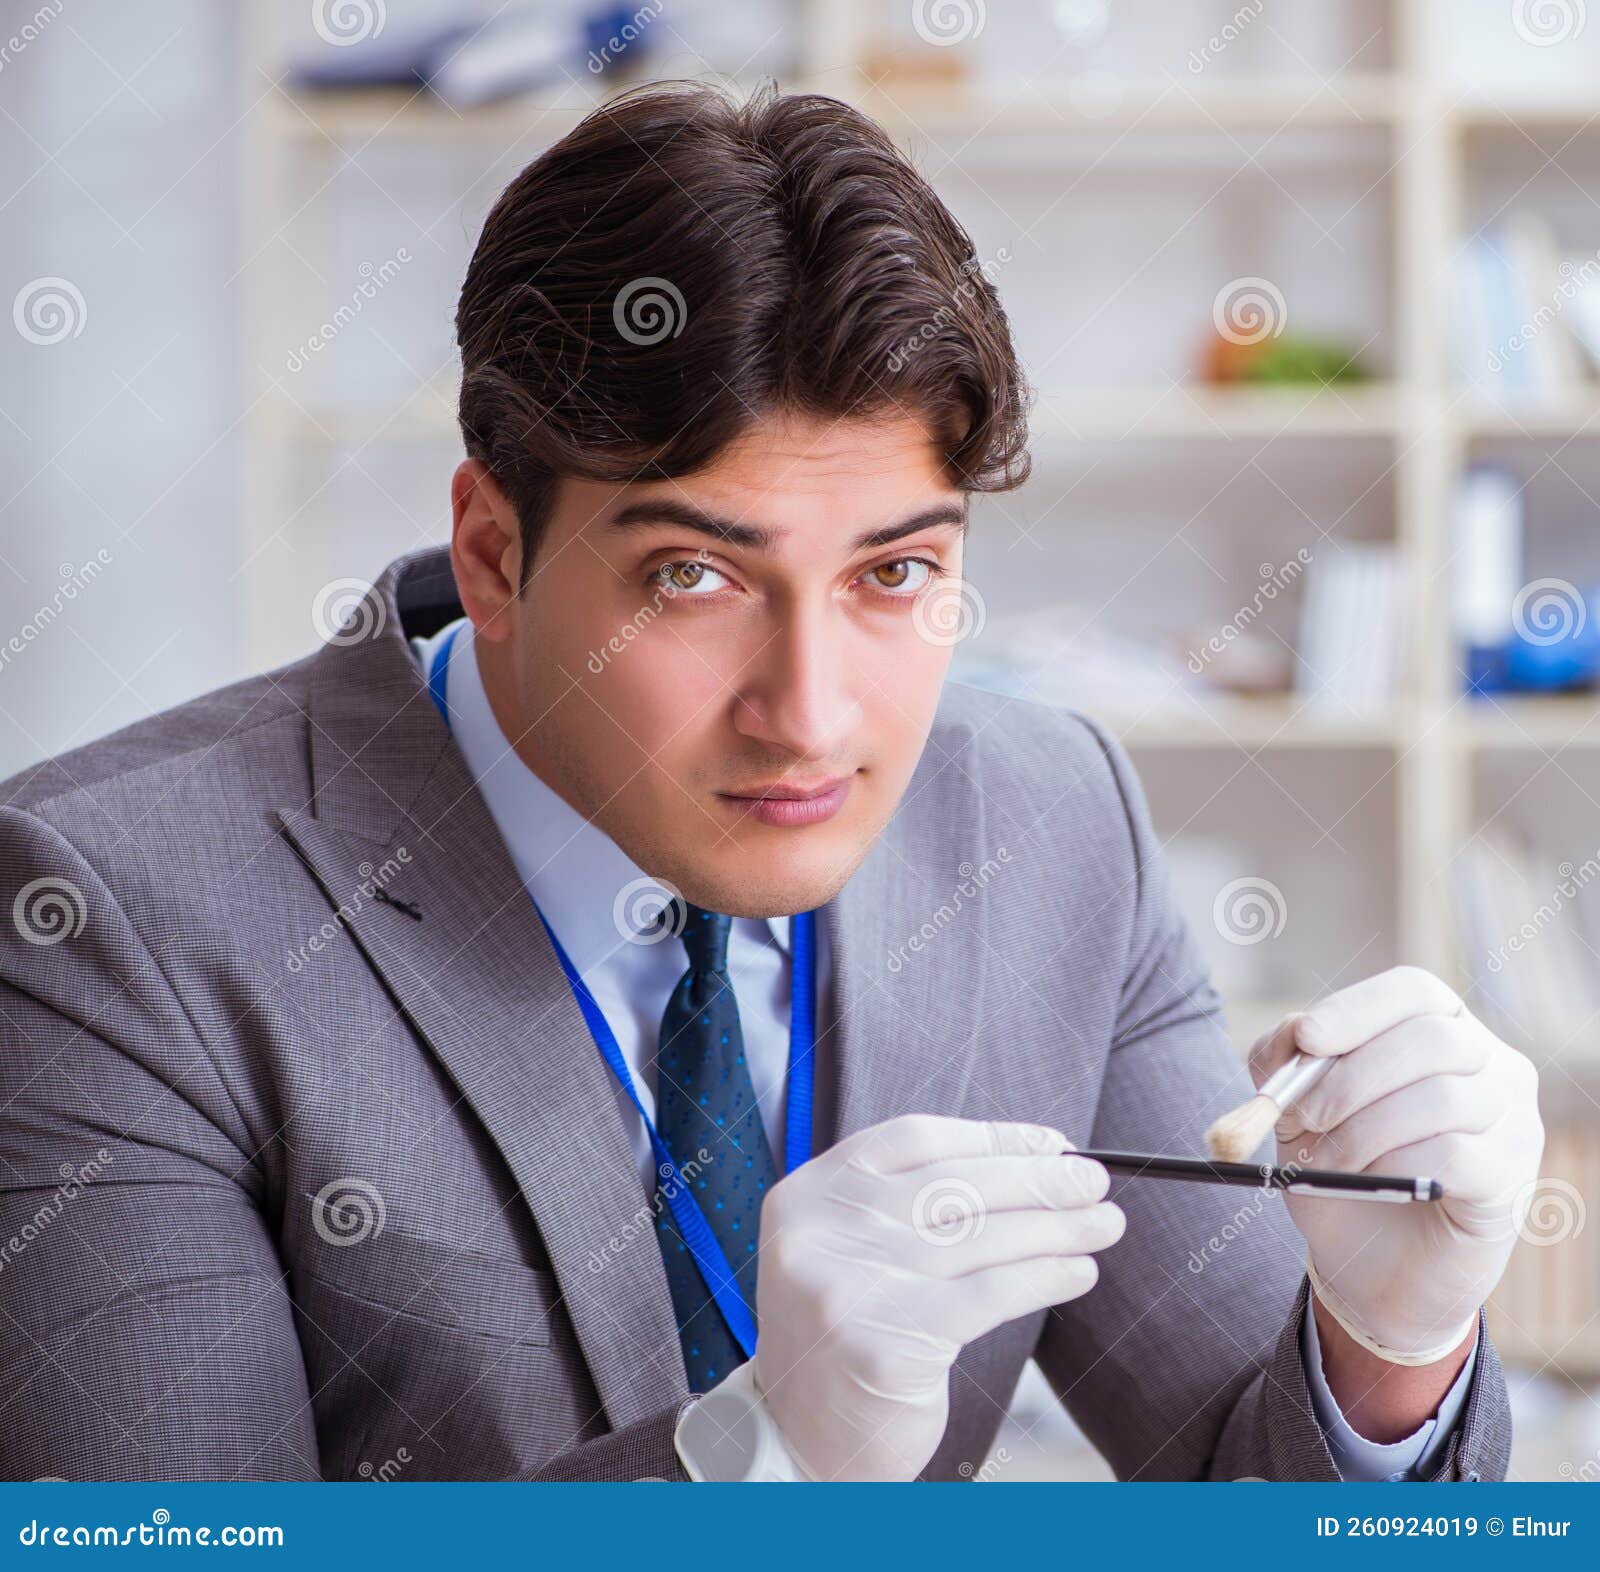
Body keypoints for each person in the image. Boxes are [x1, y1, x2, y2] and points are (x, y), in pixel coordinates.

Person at [0, 82, 1540, 1483]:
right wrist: (755, 1459)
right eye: (693, 575)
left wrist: (1386, 1357)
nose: (810, 716)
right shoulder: (105, 915)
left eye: (896, 573)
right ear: (493, 557)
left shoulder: (1053, 821)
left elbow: (1240, 1483)